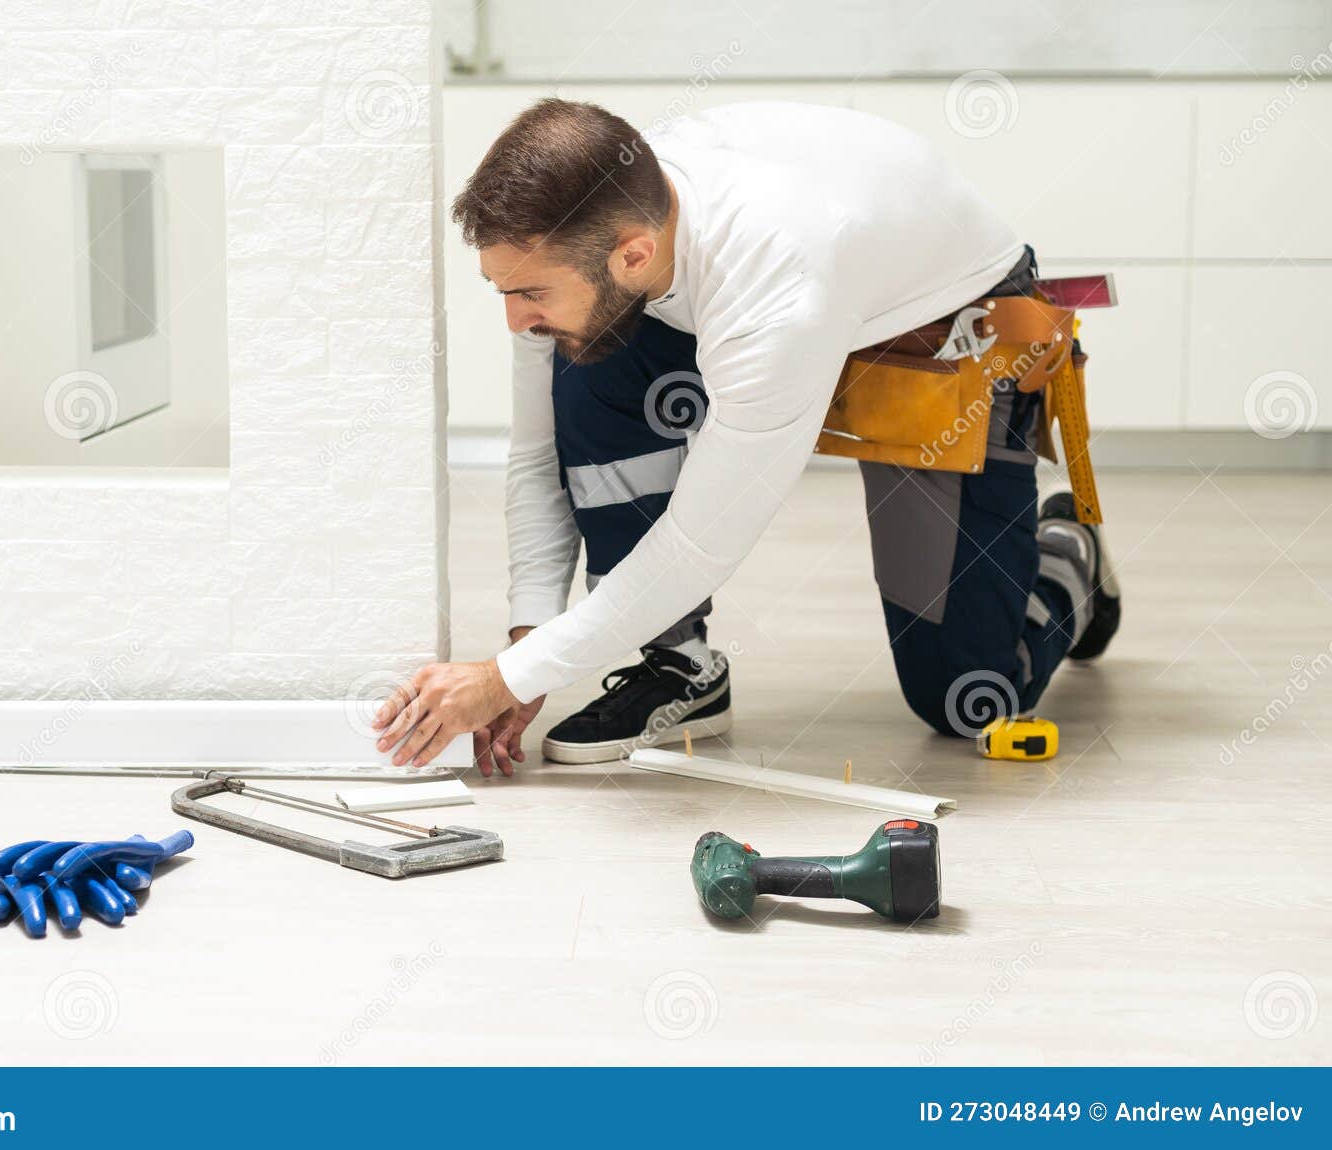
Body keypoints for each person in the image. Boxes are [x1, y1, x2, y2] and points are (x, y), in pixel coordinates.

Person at [373, 99, 1120, 774]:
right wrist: (525, 646)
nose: (514, 320)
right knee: (587, 354)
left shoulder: (772, 294)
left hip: (941, 329)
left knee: (964, 694)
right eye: (503, 290)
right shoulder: (591, 220)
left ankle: (1068, 556)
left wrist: (504, 680)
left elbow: (703, 542)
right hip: (798, 290)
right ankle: (681, 669)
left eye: (529, 294)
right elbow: (538, 455)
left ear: (632, 253)